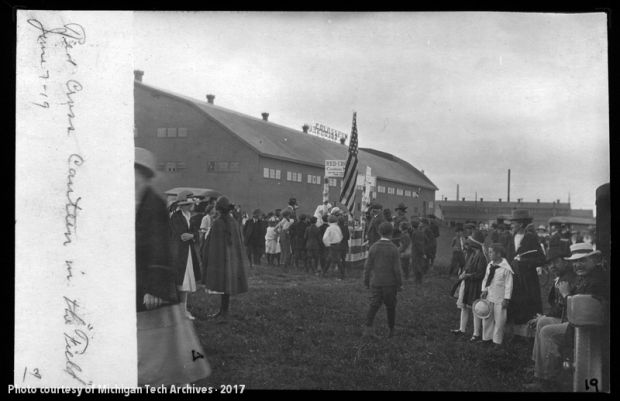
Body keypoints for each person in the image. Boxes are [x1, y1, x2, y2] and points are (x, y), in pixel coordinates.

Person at [525, 243, 607, 391]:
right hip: (577, 323)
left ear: (595, 259)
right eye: (575, 261)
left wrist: (566, 294)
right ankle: (539, 367)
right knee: (543, 322)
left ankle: (546, 380)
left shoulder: (597, 280)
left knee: (547, 332)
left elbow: (582, 311)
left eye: (583, 260)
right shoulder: (586, 276)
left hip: (586, 330)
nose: (578, 265)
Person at [135, 147, 178, 312]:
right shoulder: (126, 201)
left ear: (143, 175)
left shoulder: (154, 205)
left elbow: (160, 248)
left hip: (146, 286)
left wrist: (155, 289)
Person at [202, 196, 249, 321]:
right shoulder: (233, 222)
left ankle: (224, 312)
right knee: (226, 285)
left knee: (224, 284)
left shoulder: (218, 223)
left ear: (219, 209)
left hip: (221, 260)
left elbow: (211, 242)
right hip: (231, 260)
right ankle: (223, 310)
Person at [505, 209, 546, 337]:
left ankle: (529, 334)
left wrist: (524, 261)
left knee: (528, 305)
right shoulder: (511, 238)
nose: (511, 225)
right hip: (514, 278)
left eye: (514, 222)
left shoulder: (531, 238)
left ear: (521, 224)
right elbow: (508, 257)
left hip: (528, 280)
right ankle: (516, 333)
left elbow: (541, 259)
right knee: (515, 303)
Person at [363, 222, 403, 339]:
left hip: (376, 282)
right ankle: (391, 330)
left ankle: (367, 328)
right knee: (391, 307)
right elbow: (397, 270)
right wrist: (399, 284)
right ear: (391, 233)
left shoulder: (373, 247)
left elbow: (368, 267)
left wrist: (366, 281)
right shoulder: (394, 249)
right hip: (390, 284)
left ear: (379, 232)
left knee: (374, 305)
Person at [169, 190, 202, 320]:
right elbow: (183, 236)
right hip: (178, 253)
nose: (190, 206)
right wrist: (193, 235)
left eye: (190, 204)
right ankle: (177, 312)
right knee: (179, 282)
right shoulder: (176, 217)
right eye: (188, 204)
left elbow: (195, 234)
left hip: (187, 252)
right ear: (182, 205)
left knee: (186, 283)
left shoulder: (189, 216)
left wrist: (193, 235)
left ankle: (183, 310)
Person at [450, 230, 487, 340]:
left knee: (475, 308)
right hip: (468, 284)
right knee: (464, 306)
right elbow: (467, 267)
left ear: (475, 244)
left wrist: (467, 276)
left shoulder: (481, 256)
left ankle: (476, 334)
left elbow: (480, 274)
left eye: (470, 241)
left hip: (475, 285)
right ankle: (462, 329)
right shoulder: (473, 254)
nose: (468, 243)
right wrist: (464, 273)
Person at [480, 244, 514, 347]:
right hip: (490, 296)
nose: (489, 254)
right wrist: (484, 290)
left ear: (498, 254)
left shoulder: (505, 268)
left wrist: (506, 299)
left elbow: (509, 285)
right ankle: (487, 338)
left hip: (500, 298)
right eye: (489, 252)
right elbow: (486, 278)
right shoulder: (490, 265)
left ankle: (497, 341)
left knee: (499, 321)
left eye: (491, 252)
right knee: (487, 317)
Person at [410, 218, 428, 284]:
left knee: (416, 266)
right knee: (420, 265)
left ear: (412, 226)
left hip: (416, 252)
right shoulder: (421, 232)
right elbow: (427, 240)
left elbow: (416, 244)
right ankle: (419, 279)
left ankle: (418, 280)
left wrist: (421, 251)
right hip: (421, 251)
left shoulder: (414, 233)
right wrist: (423, 249)